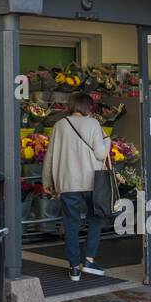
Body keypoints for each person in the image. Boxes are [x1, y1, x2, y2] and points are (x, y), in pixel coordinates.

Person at [41, 91, 111, 281]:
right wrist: (108, 141)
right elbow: (100, 154)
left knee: (70, 224)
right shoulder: (94, 124)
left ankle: (73, 268)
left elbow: (50, 155)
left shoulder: (59, 125)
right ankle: (88, 259)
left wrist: (47, 181)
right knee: (96, 218)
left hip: (68, 183)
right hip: (91, 182)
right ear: (88, 107)